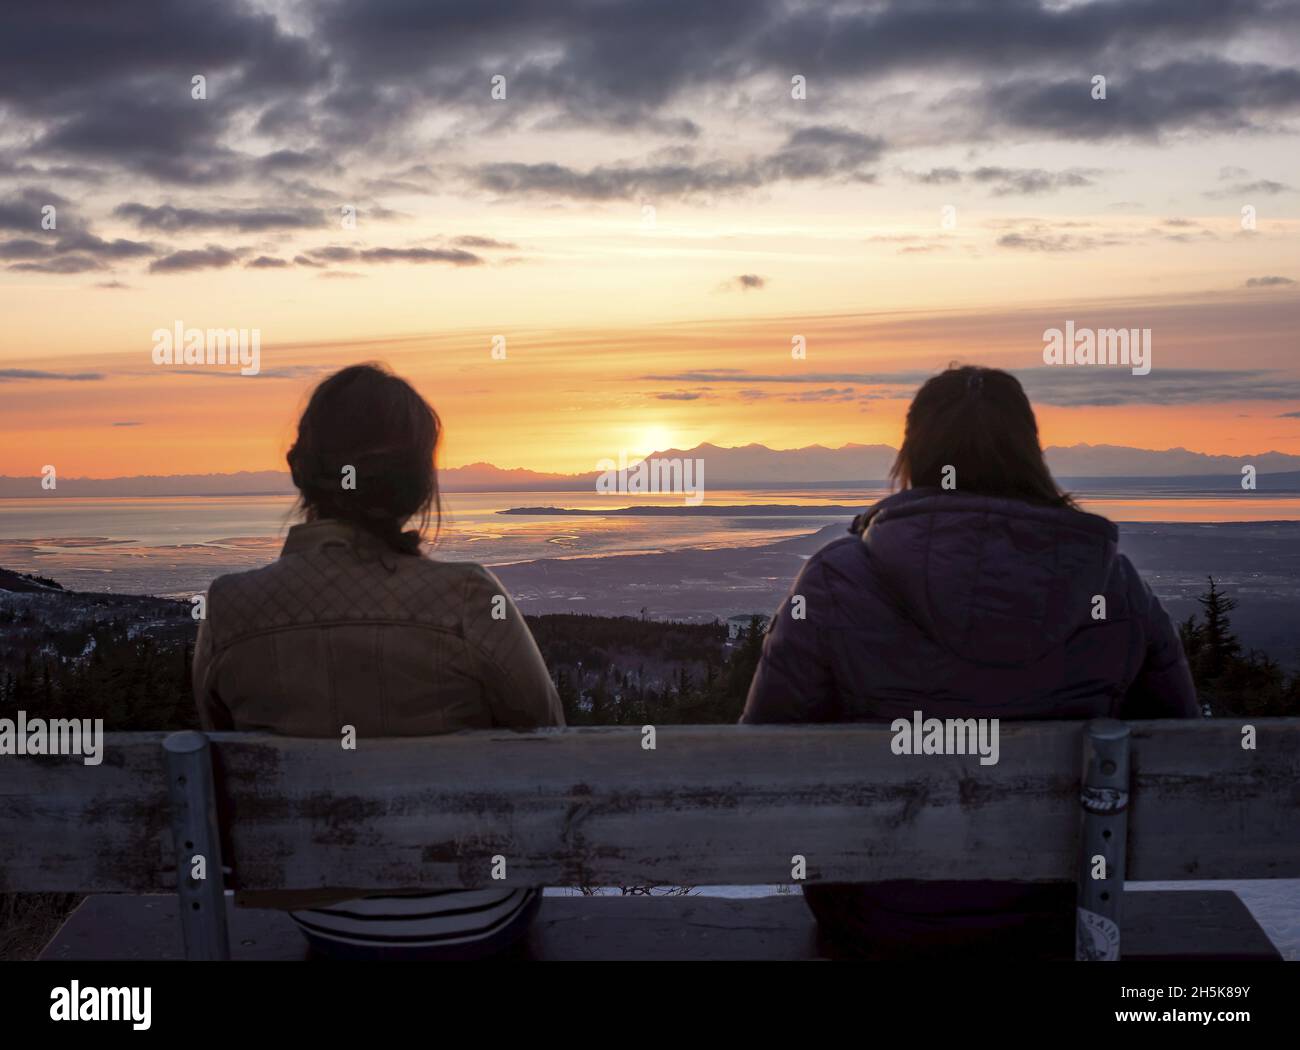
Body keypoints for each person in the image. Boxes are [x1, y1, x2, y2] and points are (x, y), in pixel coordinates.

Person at [741, 364, 1199, 960]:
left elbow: (761, 763)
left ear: (913, 454)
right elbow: (1180, 754)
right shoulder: (1113, 588)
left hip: (874, 923)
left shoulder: (836, 578)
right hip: (1057, 922)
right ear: (1031, 452)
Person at [192, 362, 563, 960]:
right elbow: (550, 739)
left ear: (300, 471)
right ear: (417, 484)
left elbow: (217, 741)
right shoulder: (468, 597)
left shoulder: (230, 606)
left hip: (325, 917)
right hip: (478, 914)